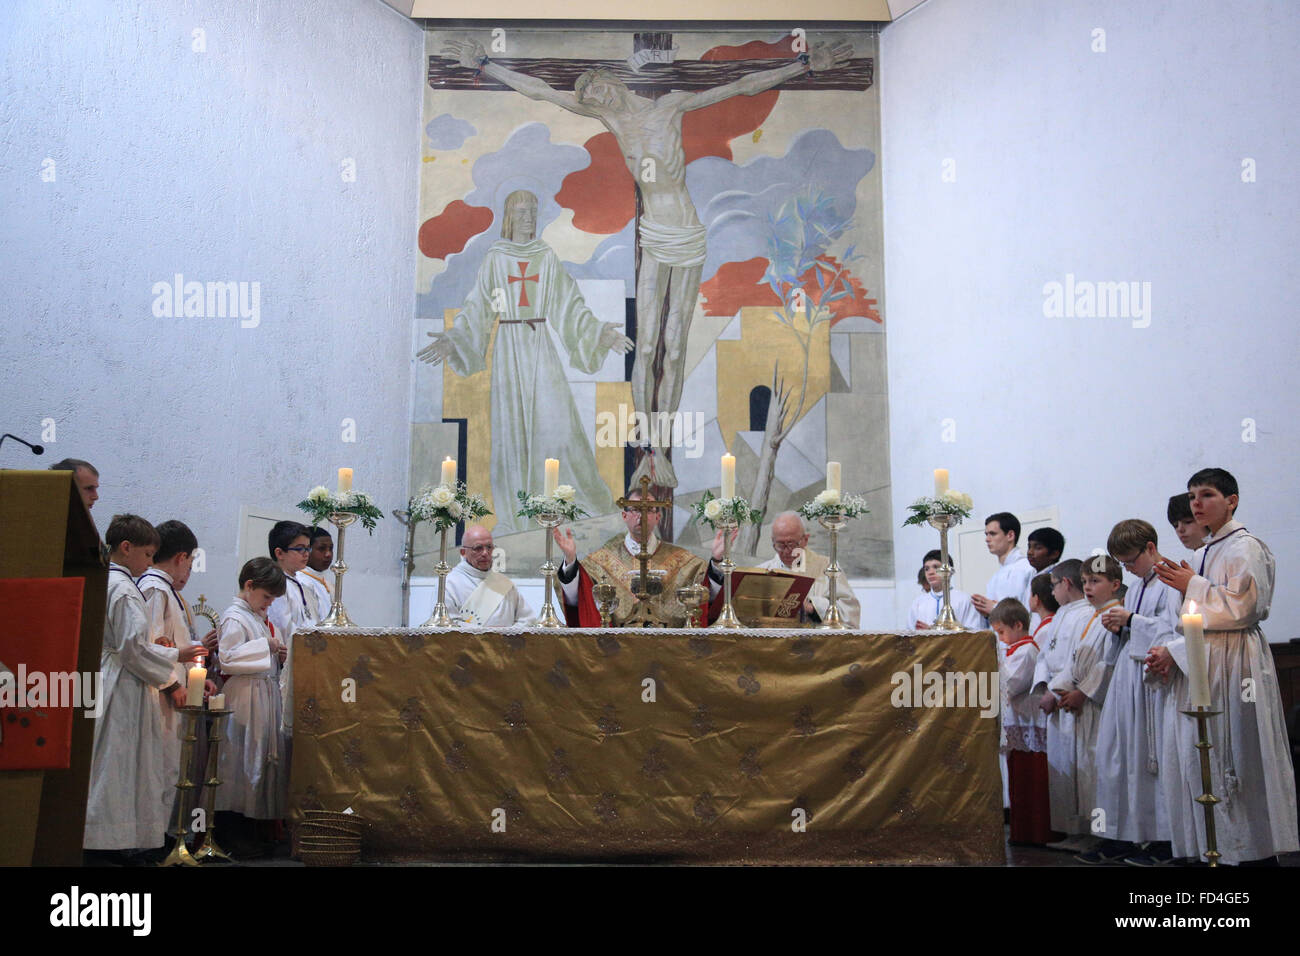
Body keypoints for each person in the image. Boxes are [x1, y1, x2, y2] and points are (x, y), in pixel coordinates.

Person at [442, 37, 852, 487]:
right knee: (648, 341)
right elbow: (540, 89)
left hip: (688, 235)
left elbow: (741, 86)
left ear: (611, 80)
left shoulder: (670, 106)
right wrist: (484, 64)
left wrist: (803, 65)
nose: (591, 97)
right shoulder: (610, 119)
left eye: (594, 88)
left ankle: (664, 445)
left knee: (675, 344)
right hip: (653, 236)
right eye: (585, 97)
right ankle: (649, 449)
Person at [417, 190, 630, 530]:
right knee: (512, 431)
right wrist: (455, 338)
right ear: (510, 217)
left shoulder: (545, 256)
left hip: (539, 345)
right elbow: (478, 308)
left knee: (558, 424)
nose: (529, 218)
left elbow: (568, 304)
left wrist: (599, 333)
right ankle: (523, 514)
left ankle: (564, 503)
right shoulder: (496, 258)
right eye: (522, 211)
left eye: (533, 211)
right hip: (508, 348)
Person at [1149, 468, 1298, 865]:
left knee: (1240, 751)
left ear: (1231, 500)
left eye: (1207, 495)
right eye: (1192, 496)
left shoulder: (1245, 547)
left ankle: (1252, 850)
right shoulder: (1207, 550)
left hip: (1238, 660)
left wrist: (1190, 585)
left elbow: (1245, 608)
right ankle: (1220, 847)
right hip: (1210, 657)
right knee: (1209, 753)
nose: (1196, 504)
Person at [84, 515, 204, 858]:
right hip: (125, 684)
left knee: (113, 765)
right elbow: (133, 647)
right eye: (148, 554)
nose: (151, 563)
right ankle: (107, 848)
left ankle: (110, 845)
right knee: (119, 766)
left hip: (112, 677)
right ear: (126, 548)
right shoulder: (123, 588)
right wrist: (176, 654)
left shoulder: (106, 581)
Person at [1093, 519, 1180, 866]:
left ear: (1150, 548)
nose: (1127, 569)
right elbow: (1136, 626)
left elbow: (1174, 632)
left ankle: (1165, 841)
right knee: (1121, 757)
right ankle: (1130, 835)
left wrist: (1130, 622)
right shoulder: (1139, 585)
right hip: (1129, 680)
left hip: (1154, 683)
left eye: (1131, 560)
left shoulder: (1171, 581)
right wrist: (1118, 625)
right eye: (1123, 563)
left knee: (1152, 760)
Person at [555, 487, 728, 627]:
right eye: (635, 509)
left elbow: (707, 598)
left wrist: (717, 561)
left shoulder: (686, 562)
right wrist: (570, 561)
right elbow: (579, 599)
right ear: (624, 515)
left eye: (649, 510)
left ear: (658, 517)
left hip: (669, 649)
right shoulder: (599, 561)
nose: (641, 515)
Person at [138, 520, 217, 824]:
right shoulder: (155, 590)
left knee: (171, 765)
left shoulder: (167, 592)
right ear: (181, 557)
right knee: (159, 766)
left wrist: (199, 679)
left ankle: (162, 837)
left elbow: (176, 644)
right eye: (192, 562)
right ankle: (149, 841)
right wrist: (173, 685)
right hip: (159, 696)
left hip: (172, 694)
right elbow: (151, 646)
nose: (189, 570)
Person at [1050, 555, 1124, 864]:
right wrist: (1063, 685)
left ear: (1115, 585)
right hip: (1081, 704)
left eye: (1095, 581)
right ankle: (1089, 833)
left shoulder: (1116, 617)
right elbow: (1074, 658)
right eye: (1085, 583)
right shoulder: (1090, 617)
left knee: (1098, 775)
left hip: (1099, 706)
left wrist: (1083, 691)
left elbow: (1110, 663)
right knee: (1084, 775)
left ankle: (1104, 836)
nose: (1089, 588)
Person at [216, 558, 288, 829]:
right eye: (267, 596)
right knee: (239, 762)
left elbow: (264, 652)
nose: (269, 603)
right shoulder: (235, 617)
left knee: (258, 760)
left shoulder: (254, 617)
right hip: (244, 696)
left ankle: (255, 829)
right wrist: (265, 646)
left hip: (262, 693)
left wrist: (277, 654)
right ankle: (232, 830)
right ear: (249, 586)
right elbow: (227, 658)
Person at [1031, 558, 1090, 850]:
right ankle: (1070, 831)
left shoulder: (1086, 615)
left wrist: (1055, 692)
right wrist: (1044, 685)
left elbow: (1077, 659)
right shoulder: (1061, 615)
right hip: (1055, 697)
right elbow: (1045, 655)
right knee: (1061, 767)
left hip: (1072, 699)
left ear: (1066, 583)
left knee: (1080, 767)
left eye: (1054, 585)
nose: (1051, 593)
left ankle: (1089, 833)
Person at [992, 598, 1051, 845]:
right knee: (1018, 780)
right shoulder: (1014, 650)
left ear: (1018, 625)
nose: (1001, 638)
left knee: (1032, 780)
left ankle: (1037, 833)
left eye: (1002, 632)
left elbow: (1012, 685)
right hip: (1017, 723)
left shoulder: (1027, 651)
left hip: (1029, 722)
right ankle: (1022, 832)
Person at [758, 512, 860, 627]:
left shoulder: (828, 567)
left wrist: (813, 607)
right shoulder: (760, 572)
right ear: (773, 541)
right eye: (780, 545)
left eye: (791, 544)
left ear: (805, 540)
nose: (786, 551)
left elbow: (849, 612)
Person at [266, 520, 315, 738]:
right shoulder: (277, 585)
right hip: (285, 664)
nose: (306, 554)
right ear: (280, 553)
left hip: (306, 662)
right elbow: (283, 626)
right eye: (299, 549)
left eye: (307, 548)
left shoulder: (302, 584)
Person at [445, 524, 534, 626]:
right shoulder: (449, 584)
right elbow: (448, 626)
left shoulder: (505, 584)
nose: (485, 553)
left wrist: (506, 639)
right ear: (463, 552)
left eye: (489, 547)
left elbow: (527, 620)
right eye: (478, 548)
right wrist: (489, 639)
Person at [971, 512, 1035, 625]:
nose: (987, 539)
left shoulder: (1027, 569)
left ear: (1010, 535)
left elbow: (1031, 612)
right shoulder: (996, 576)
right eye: (986, 534)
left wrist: (995, 609)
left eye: (992, 534)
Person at [907, 549, 981, 630]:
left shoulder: (964, 599)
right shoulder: (918, 603)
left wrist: (932, 631)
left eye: (936, 567)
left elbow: (975, 632)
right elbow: (910, 633)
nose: (930, 572)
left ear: (949, 570)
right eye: (926, 569)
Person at [300, 527, 333, 621]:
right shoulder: (302, 581)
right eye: (321, 548)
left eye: (331, 548)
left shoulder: (328, 584)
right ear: (307, 551)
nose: (328, 554)